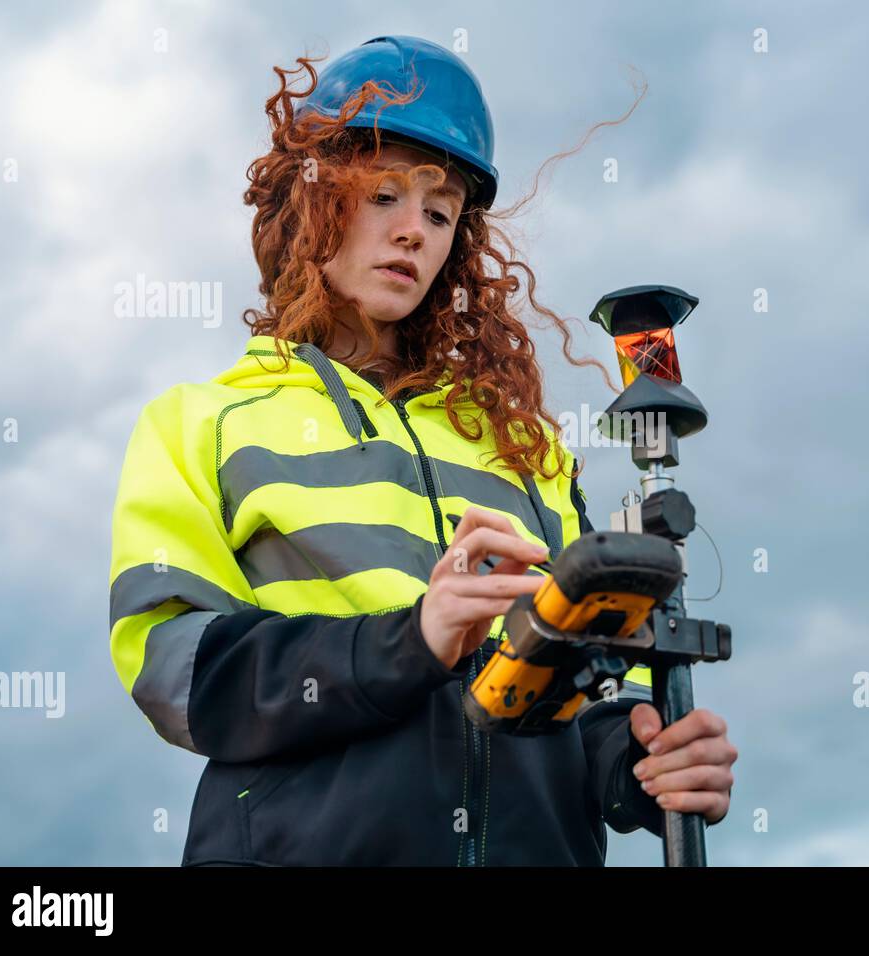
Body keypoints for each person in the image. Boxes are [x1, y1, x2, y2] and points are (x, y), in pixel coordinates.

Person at [108, 35, 736, 866]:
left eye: (439, 213)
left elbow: (576, 687)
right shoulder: (200, 422)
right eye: (382, 195)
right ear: (311, 202)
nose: (413, 231)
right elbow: (177, 675)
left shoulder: (527, 450)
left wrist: (640, 764)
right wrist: (410, 641)